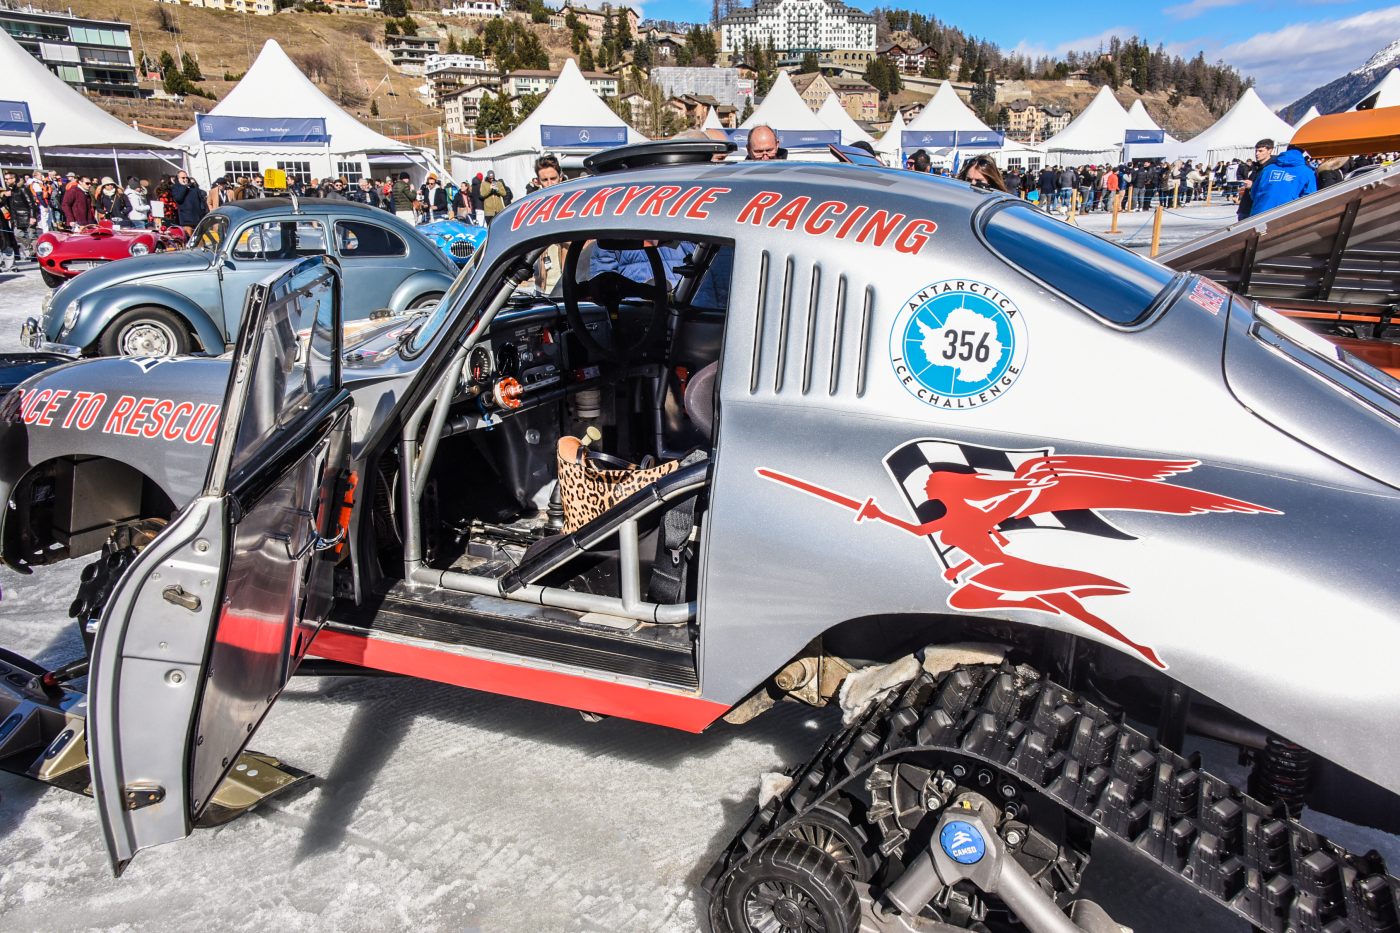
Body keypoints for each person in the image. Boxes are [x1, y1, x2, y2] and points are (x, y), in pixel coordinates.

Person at [1248, 144, 1317, 217]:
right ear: (1303, 152)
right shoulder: (1307, 172)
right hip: (1286, 215)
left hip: (1259, 213)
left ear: (1287, 149)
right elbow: (1309, 198)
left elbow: (1253, 193)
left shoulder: (1268, 168)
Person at [531, 156, 566, 292]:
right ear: (538, 182)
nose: (550, 184)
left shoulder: (572, 206)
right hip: (542, 286)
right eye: (545, 180)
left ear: (560, 177)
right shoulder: (535, 209)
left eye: (553, 178)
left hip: (566, 286)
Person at [1236, 139, 1274, 220]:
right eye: (1256, 151)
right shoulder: (1256, 167)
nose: (1257, 154)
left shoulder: (1272, 169)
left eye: (1261, 151)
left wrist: (1253, 186)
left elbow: (1271, 189)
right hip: (1246, 208)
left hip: (1260, 211)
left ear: (1270, 151)